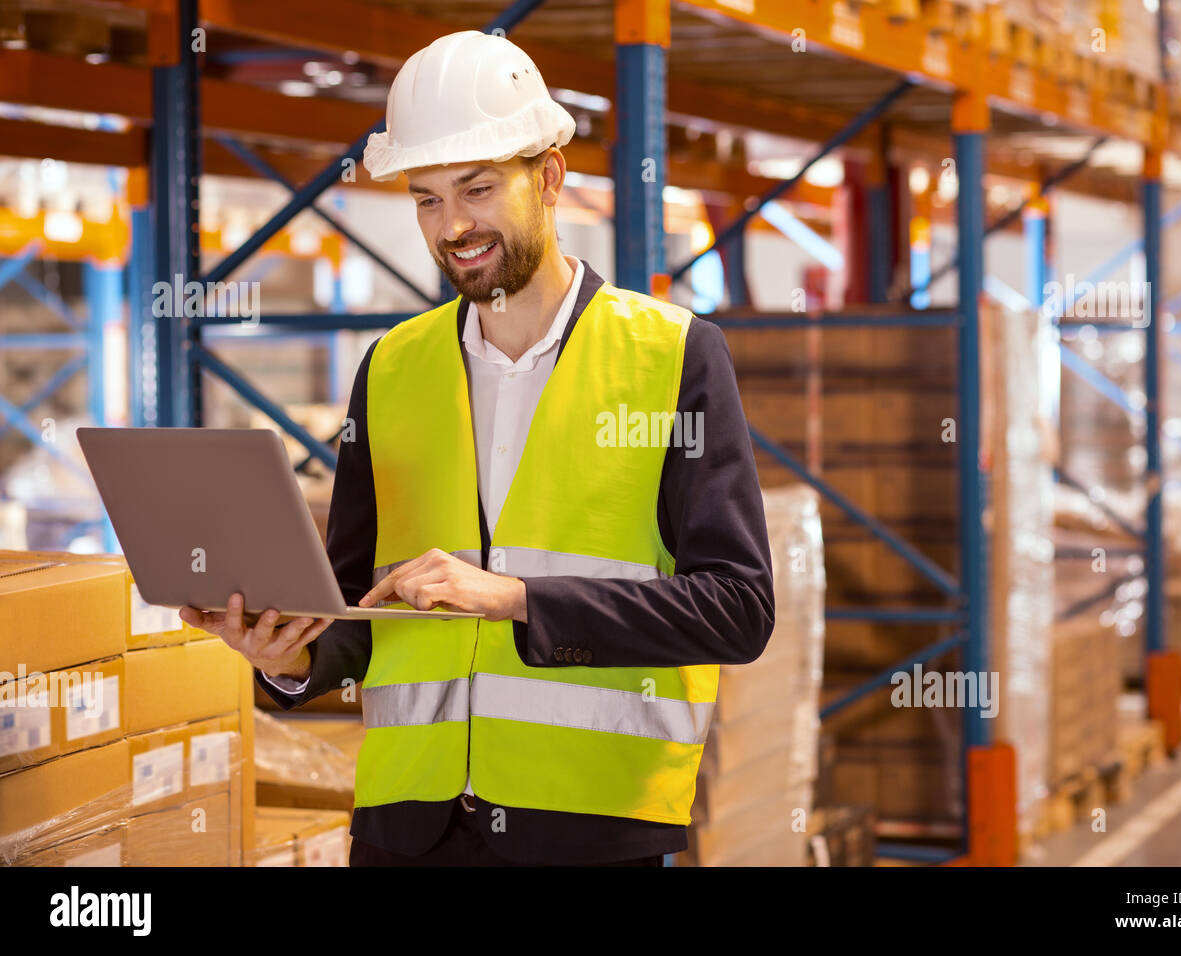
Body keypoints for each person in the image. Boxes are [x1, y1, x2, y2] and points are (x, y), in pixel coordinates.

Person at [180, 29, 774, 867]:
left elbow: (738, 608)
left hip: (588, 832)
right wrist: (292, 656)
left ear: (551, 178)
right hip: (403, 831)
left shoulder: (671, 355)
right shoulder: (392, 367)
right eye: (426, 198)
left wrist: (515, 598)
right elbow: (360, 604)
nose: (453, 225)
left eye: (479, 188)